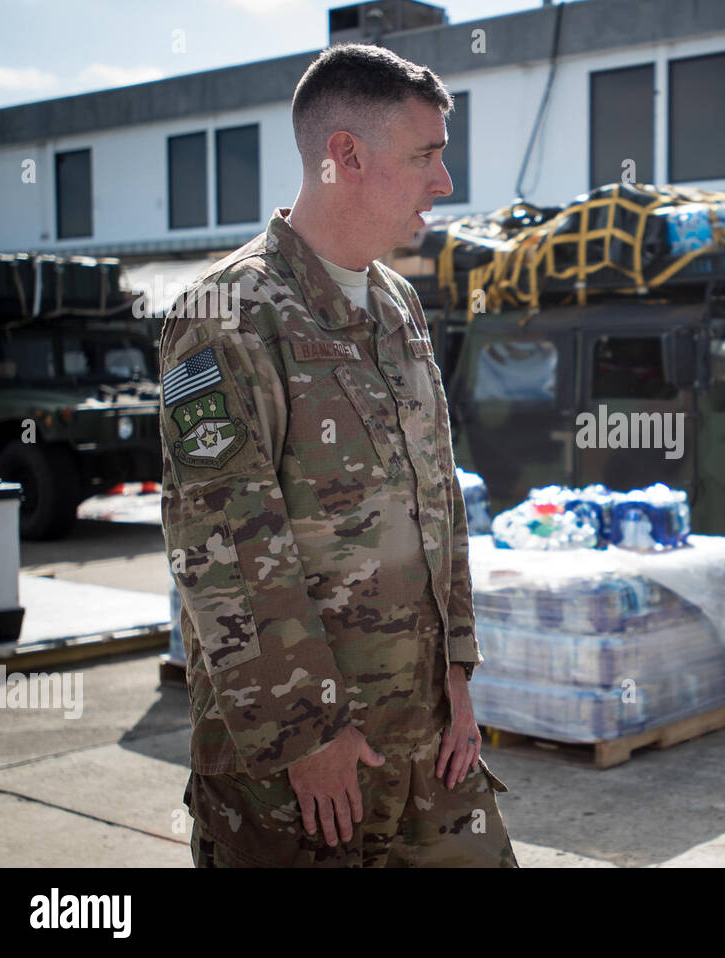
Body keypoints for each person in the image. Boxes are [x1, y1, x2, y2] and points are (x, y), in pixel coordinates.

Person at [160, 44, 517, 867]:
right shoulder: (230, 314)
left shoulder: (397, 304)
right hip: (308, 769)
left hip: (429, 742)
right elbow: (224, 549)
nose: (444, 182)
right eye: (426, 155)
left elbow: (441, 504)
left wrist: (458, 674)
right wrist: (305, 734)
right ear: (346, 157)